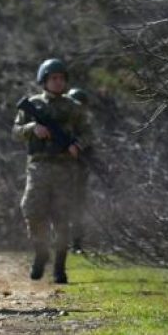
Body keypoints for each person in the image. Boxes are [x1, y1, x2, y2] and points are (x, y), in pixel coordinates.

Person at [12, 58, 92, 284]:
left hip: (65, 168)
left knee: (62, 218)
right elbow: (16, 131)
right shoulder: (33, 104)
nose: (58, 82)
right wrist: (32, 128)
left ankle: (59, 267)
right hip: (38, 166)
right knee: (32, 210)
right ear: (44, 80)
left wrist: (78, 145)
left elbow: (88, 133)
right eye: (53, 78)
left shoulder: (74, 108)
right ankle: (40, 251)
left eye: (61, 78)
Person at [66, 87, 91, 253]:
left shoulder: (84, 127)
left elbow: (89, 145)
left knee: (77, 208)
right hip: (59, 171)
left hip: (78, 172)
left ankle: (76, 244)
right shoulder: (63, 124)